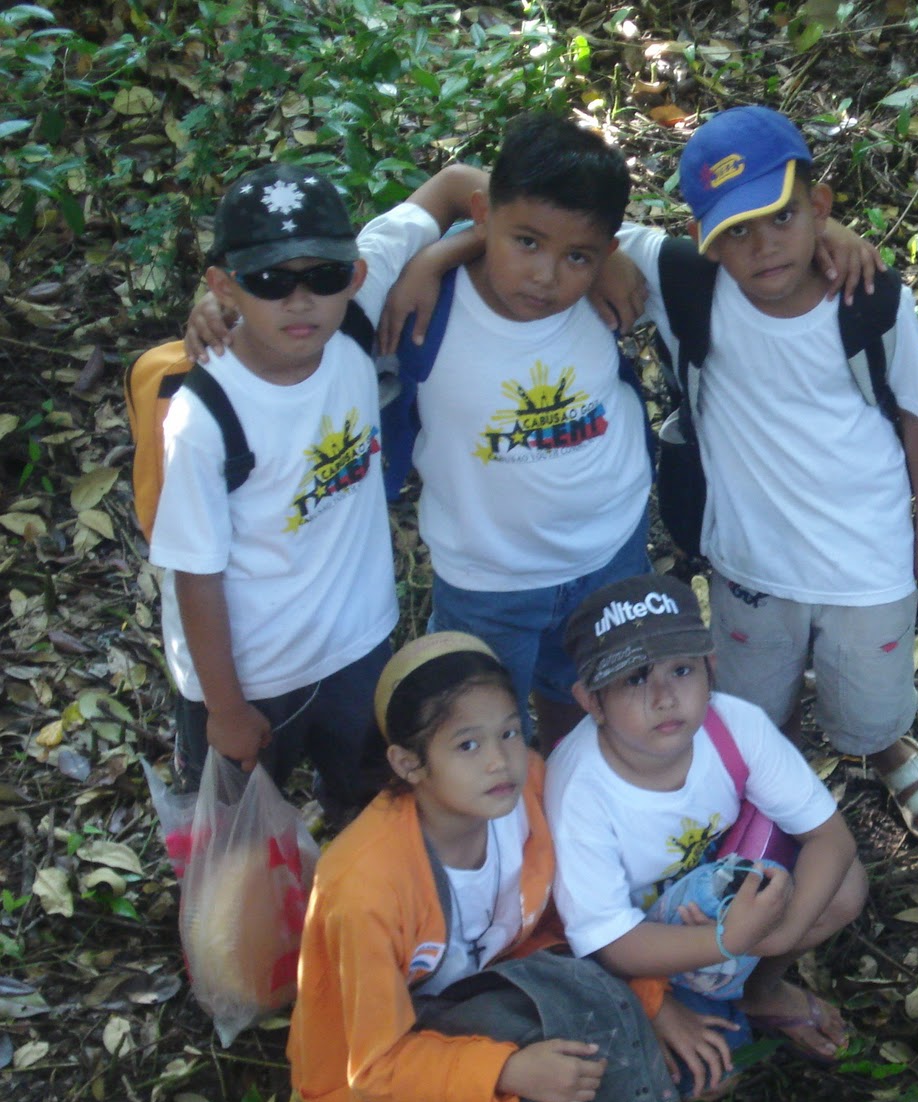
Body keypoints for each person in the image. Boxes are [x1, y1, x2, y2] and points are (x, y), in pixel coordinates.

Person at [188, 114, 655, 753]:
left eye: (576, 256)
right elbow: (450, 188)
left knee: (592, 722)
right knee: (475, 740)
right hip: (487, 581)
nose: (546, 276)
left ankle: (568, 822)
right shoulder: (395, 295)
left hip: (612, 556)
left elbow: (732, 258)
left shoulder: (615, 280)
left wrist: (608, 258)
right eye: (526, 244)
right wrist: (220, 304)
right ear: (487, 217)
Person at [614, 106, 918, 838]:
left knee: (869, 697)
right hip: (751, 562)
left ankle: (881, 746)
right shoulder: (688, 286)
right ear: (704, 241)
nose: (763, 245)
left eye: (783, 217)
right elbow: (560, 221)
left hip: (867, 561)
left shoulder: (871, 302)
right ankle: (770, 789)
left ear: (820, 207)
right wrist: (438, 250)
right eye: (735, 231)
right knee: (753, 703)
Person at [288, 632, 678, 1102]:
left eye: (510, 732)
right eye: (467, 745)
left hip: (506, 991)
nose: (501, 761)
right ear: (408, 762)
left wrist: (652, 1004)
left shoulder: (533, 790)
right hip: (404, 1038)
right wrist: (507, 1072)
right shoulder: (363, 886)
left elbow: (582, 914)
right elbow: (372, 1062)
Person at [543, 574, 868, 1092]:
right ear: (591, 701)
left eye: (681, 669)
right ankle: (692, 1002)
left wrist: (776, 935)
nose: (664, 697)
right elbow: (609, 943)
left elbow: (833, 839)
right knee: (710, 1081)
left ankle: (761, 989)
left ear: (710, 668)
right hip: (648, 956)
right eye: (633, 679)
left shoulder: (734, 727)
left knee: (844, 885)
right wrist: (722, 943)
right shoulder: (579, 790)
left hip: (736, 909)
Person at [149, 163, 397, 828]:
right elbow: (195, 574)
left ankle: (358, 928)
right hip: (251, 675)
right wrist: (226, 708)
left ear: (355, 276)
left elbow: (454, 193)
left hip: (357, 646)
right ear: (224, 287)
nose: (301, 300)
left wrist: (450, 251)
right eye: (269, 281)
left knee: (373, 813)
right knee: (236, 850)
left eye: (323, 277)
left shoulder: (352, 331)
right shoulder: (205, 417)